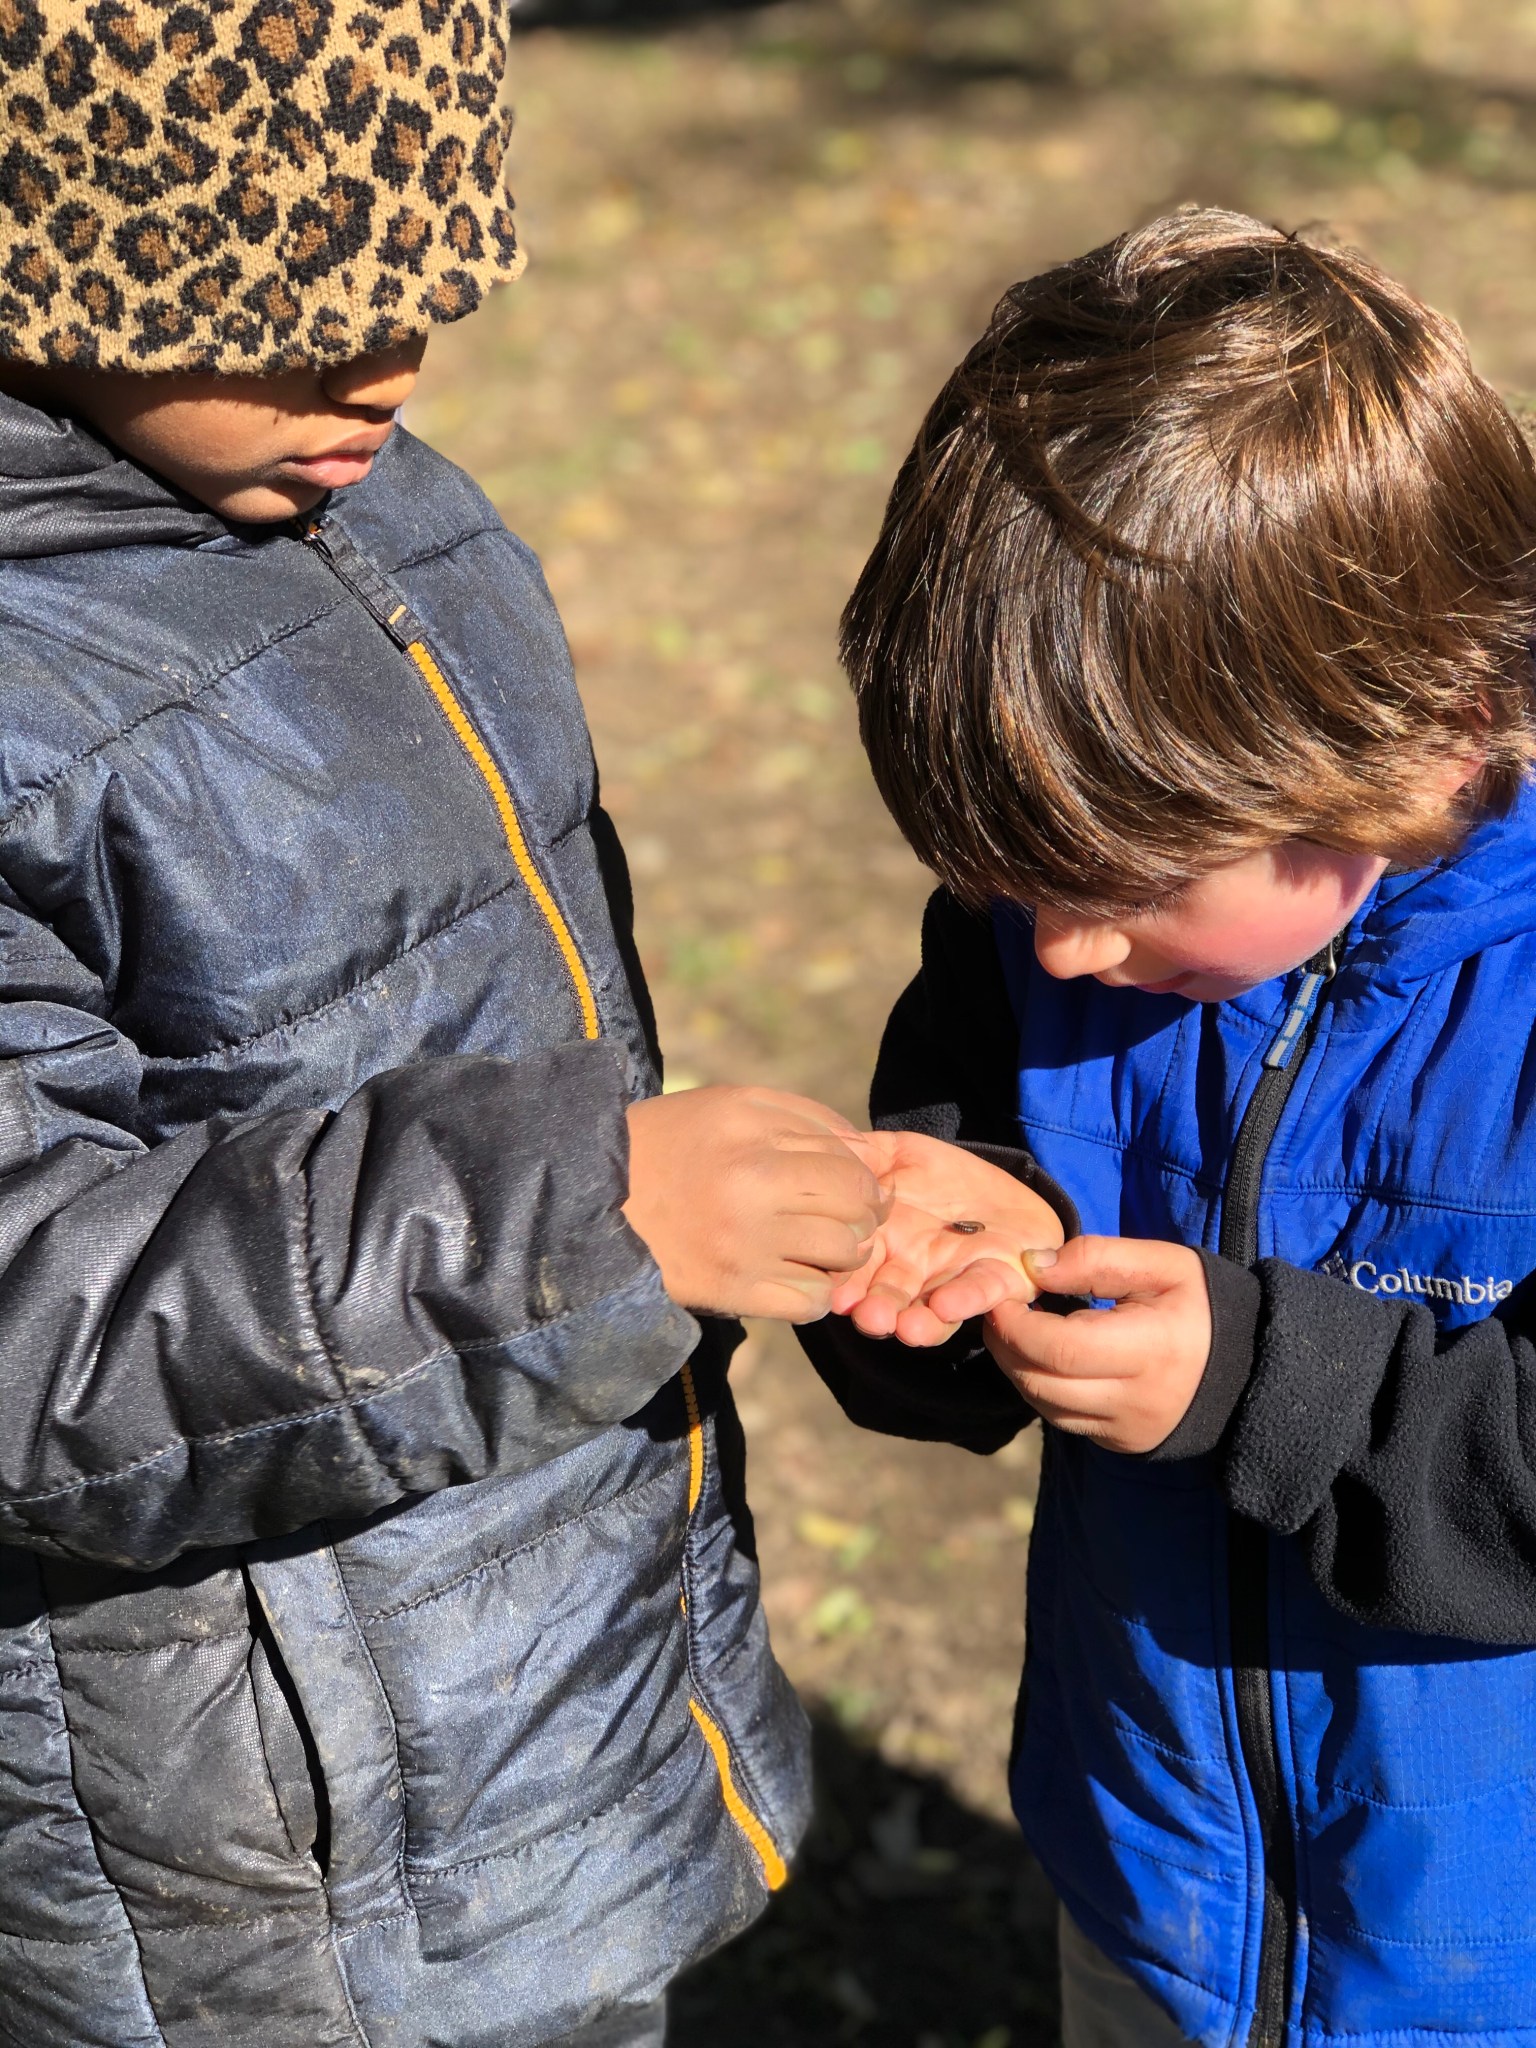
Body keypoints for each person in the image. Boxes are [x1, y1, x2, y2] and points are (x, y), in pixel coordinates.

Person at [0, 8, 1063, 2046]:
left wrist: (803, 1211)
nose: (385, 369)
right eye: (297, 310)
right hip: (263, 1912)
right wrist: (583, 1222)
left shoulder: (377, 508)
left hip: (517, 1723)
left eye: (423, 293)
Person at [803, 207, 1536, 2048]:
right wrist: (941, 1253)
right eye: (1007, 881)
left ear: (1425, 735)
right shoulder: (1050, 912)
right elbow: (973, 1134)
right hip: (1160, 1889)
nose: (1059, 944)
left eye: (1121, 886)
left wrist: (1258, 1381)